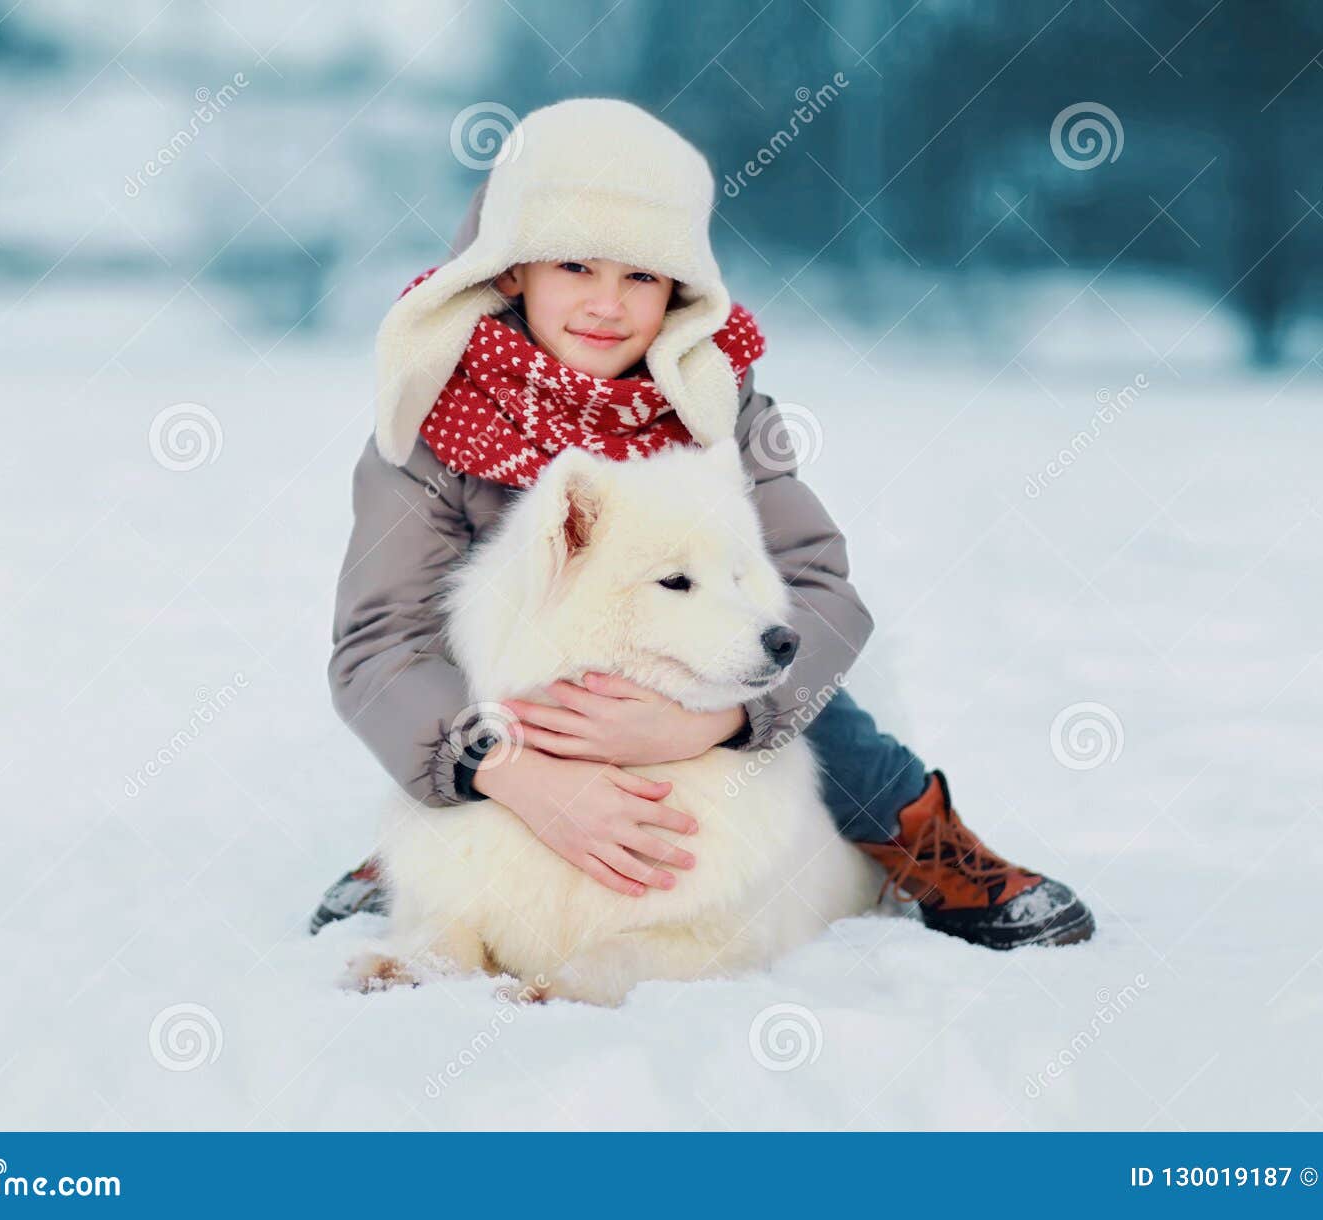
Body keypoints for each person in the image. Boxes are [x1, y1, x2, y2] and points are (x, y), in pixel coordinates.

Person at [316, 97, 1094, 952]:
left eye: (642, 276)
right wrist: (510, 772)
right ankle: (430, 843)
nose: (607, 305)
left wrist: (718, 723)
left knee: (812, 702)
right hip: (503, 695)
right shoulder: (430, 411)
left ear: (679, 287)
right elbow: (380, 642)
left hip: (691, 664)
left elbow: (818, 588)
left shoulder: (714, 397)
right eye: (576, 264)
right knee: (457, 683)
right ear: (512, 270)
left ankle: (924, 841)